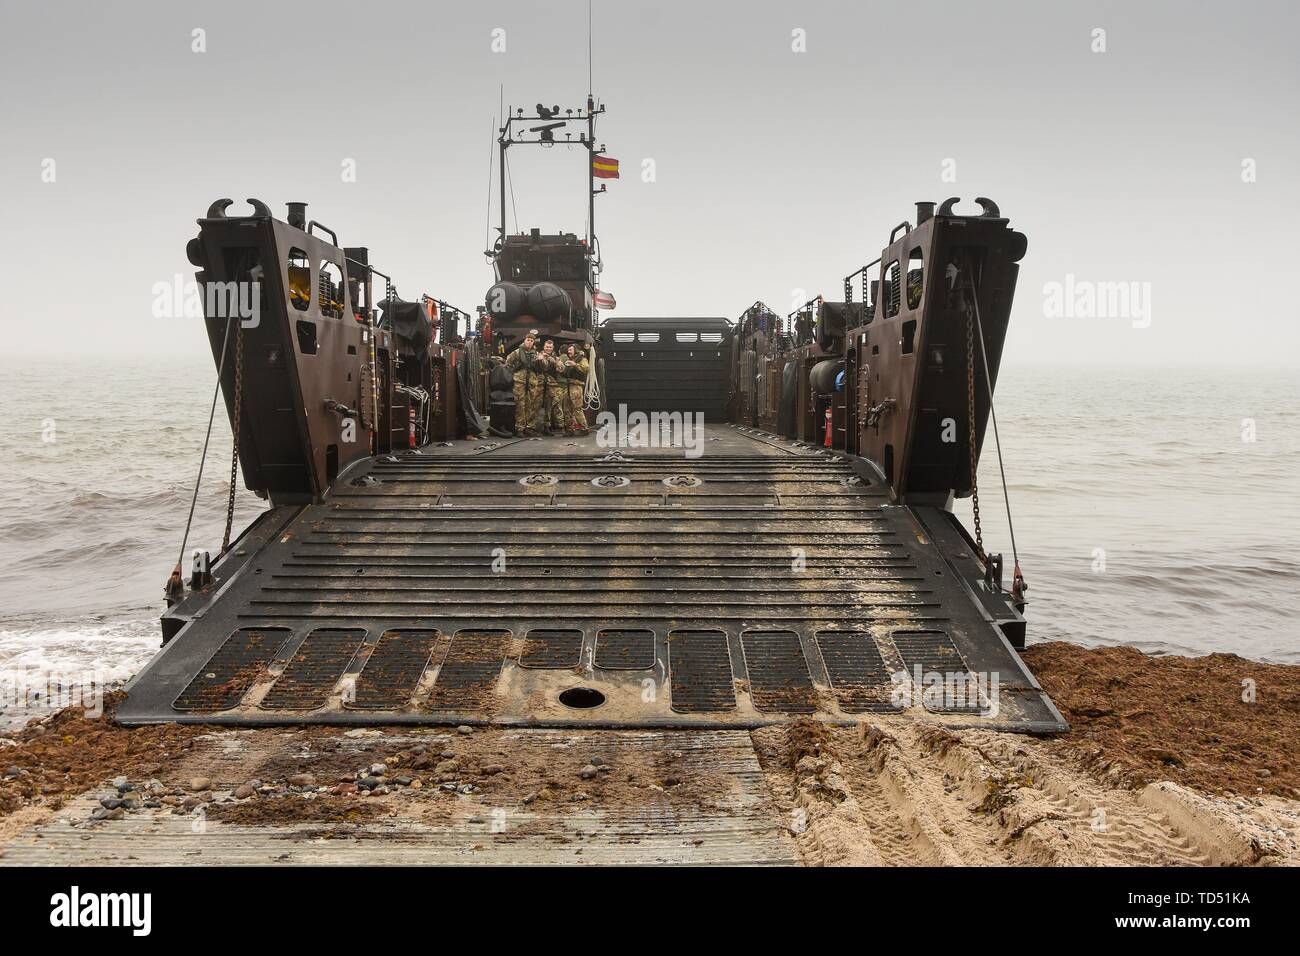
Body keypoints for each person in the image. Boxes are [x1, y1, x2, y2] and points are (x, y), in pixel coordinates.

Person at [504, 330, 542, 436]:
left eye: (531, 341)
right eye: (528, 340)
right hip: (519, 381)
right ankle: (520, 428)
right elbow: (508, 362)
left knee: (532, 404)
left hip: (532, 381)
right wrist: (515, 371)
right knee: (520, 404)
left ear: (533, 342)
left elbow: (543, 366)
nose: (529, 342)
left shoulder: (536, 354)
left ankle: (530, 427)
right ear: (524, 341)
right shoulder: (517, 352)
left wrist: (541, 360)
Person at [562, 342, 590, 436]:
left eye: (570, 350)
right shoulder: (569, 360)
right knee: (566, 409)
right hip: (568, 386)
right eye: (568, 350)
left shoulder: (582, 359)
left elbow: (586, 369)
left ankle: (584, 428)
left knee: (577, 408)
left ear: (575, 350)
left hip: (576, 386)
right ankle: (569, 429)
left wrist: (575, 365)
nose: (568, 351)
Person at [540, 339, 566, 436]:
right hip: (539, 385)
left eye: (550, 347)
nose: (548, 349)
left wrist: (554, 361)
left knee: (554, 405)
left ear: (553, 348)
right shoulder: (539, 355)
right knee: (535, 405)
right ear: (544, 347)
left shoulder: (556, 358)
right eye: (547, 347)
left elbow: (562, 369)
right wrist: (541, 359)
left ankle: (560, 426)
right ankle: (537, 428)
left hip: (551, 385)